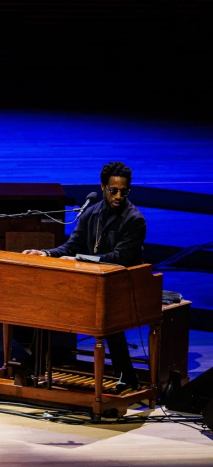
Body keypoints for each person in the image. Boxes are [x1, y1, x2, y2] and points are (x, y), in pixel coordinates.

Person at [22, 161, 146, 390]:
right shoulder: (91, 213)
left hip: (122, 286)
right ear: (102, 187)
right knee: (45, 307)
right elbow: (71, 247)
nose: (118, 196)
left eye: (124, 191)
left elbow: (119, 257)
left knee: (108, 316)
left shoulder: (134, 220)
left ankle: (128, 377)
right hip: (91, 283)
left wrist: (81, 260)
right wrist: (46, 253)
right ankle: (33, 368)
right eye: (113, 190)